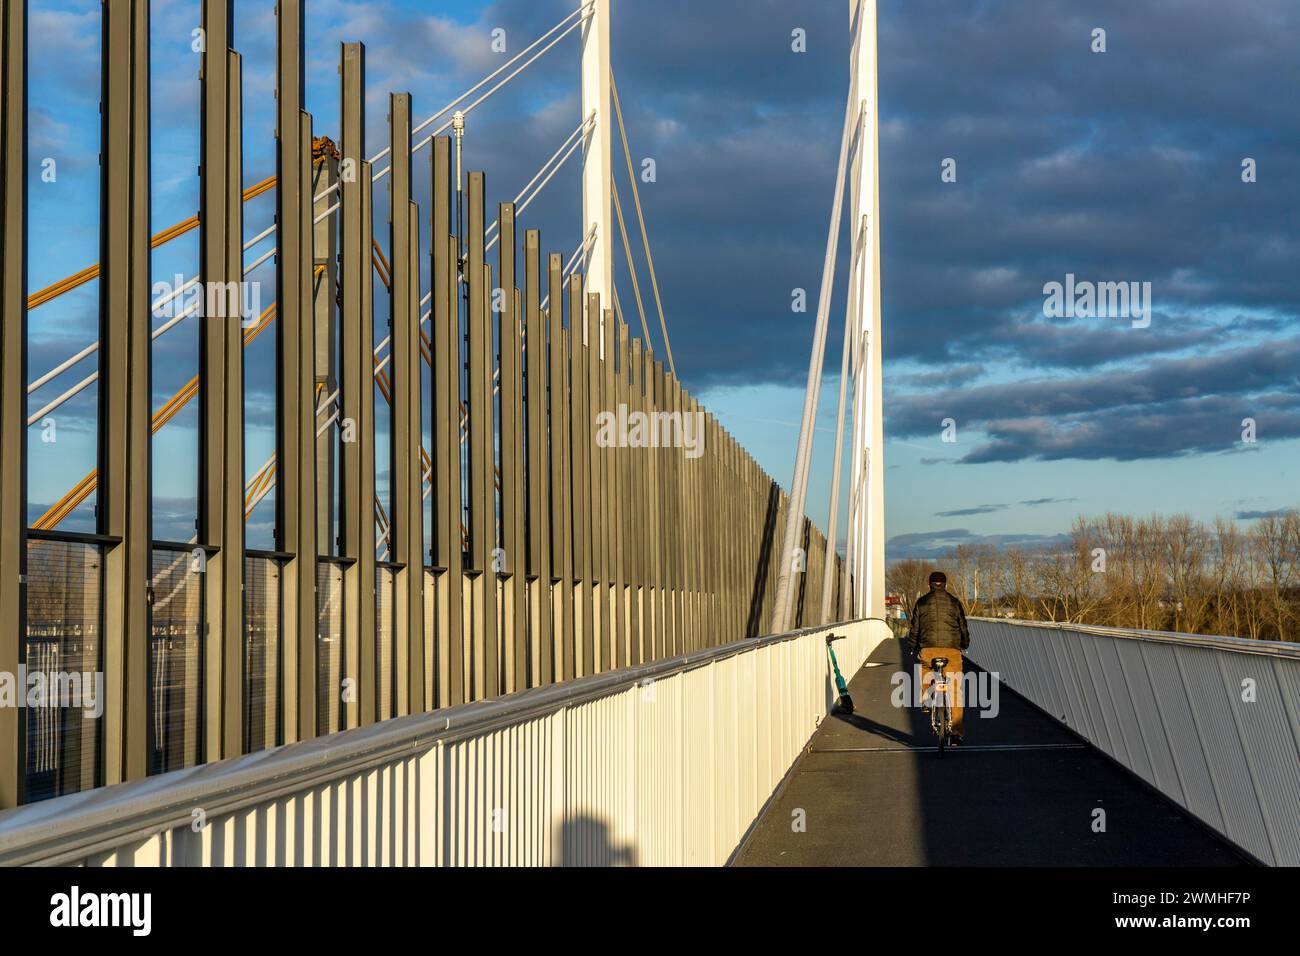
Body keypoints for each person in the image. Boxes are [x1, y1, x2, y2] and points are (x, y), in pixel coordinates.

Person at [907, 571, 970, 744]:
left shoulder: (921, 602)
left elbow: (915, 629)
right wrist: (965, 644)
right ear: (945, 585)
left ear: (929, 584)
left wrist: (912, 647)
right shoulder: (954, 602)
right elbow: (962, 627)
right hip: (951, 651)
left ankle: (927, 700)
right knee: (955, 690)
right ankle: (956, 733)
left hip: (929, 649)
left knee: (926, 670)